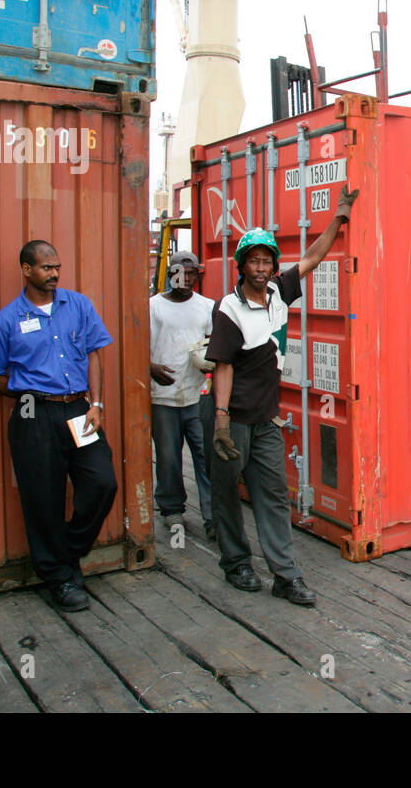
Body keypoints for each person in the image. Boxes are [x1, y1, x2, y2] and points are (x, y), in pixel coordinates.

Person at [207, 185, 359, 604]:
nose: (260, 267)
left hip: (265, 418)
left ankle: (286, 576)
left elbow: (313, 256)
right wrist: (220, 420)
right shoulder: (229, 309)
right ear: (242, 266)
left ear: (273, 265)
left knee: (273, 495)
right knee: (226, 492)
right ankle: (236, 564)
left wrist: (339, 217)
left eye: (266, 260)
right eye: (253, 260)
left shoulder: (277, 292)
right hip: (231, 417)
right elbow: (222, 365)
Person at [0, 240, 117, 612]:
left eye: (57, 267)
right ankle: (58, 577)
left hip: (79, 410)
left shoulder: (79, 305)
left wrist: (97, 403)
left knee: (102, 482)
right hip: (31, 413)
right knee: (43, 497)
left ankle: (67, 552)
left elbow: (94, 356)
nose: (54, 274)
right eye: (46, 268)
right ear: (26, 270)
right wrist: (27, 392)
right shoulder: (7, 320)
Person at [150, 250, 216, 541]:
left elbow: (214, 345)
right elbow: (135, 343)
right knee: (168, 456)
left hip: (197, 393)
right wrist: (148, 366)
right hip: (162, 395)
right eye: (180, 272)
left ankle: (213, 516)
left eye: (191, 274)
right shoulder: (152, 307)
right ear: (169, 273)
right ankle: (171, 509)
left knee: (206, 456)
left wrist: (206, 361)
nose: (185, 278)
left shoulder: (207, 307)